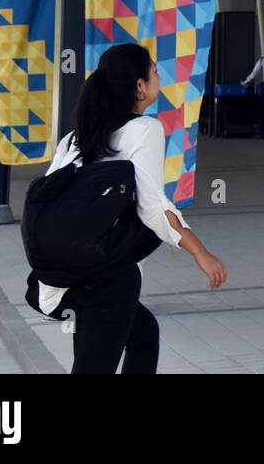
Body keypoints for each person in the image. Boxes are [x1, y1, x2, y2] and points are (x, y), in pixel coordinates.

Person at [37, 43, 227, 373]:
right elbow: (152, 208)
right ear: (139, 86)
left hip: (62, 277)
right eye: (154, 71)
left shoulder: (75, 138)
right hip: (107, 278)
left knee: (143, 334)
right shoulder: (144, 129)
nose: (158, 77)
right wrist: (200, 252)